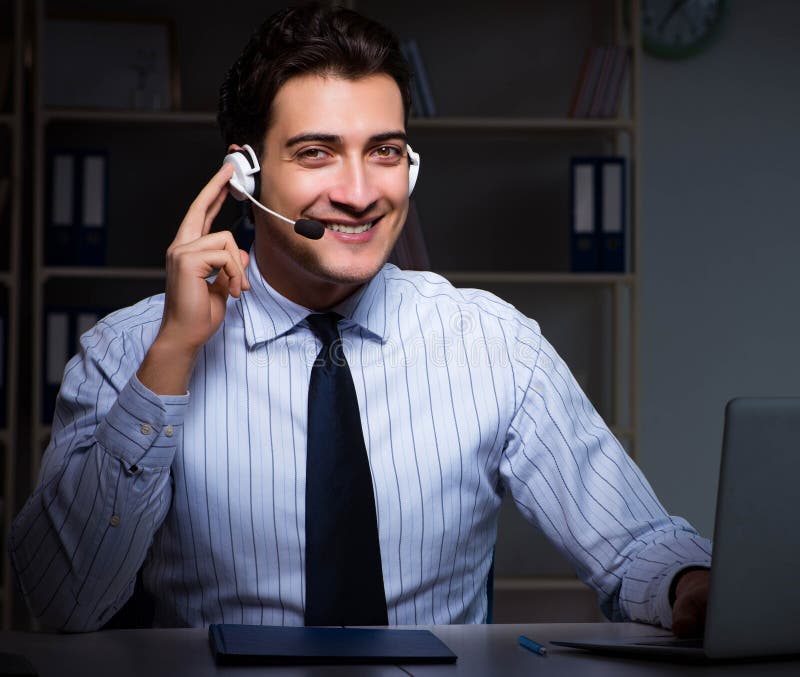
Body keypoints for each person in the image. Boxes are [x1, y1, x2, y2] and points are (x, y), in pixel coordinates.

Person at [10, 4, 711, 635]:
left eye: (384, 151)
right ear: (244, 177)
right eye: (317, 152)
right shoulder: (129, 349)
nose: (359, 193)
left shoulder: (495, 343)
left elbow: (635, 543)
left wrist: (691, 585)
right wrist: (173, 354)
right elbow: (62, 602)